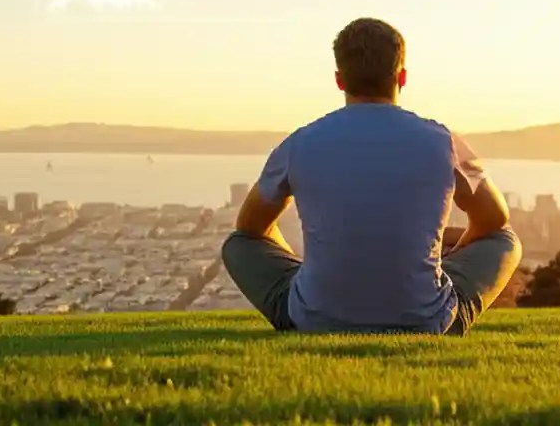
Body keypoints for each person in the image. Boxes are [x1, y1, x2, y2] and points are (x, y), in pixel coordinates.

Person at [221, 17, 521, 334]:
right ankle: (430, 308)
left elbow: (251, 228)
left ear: (339, 80)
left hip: (317, 320)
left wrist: (307, 274)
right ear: (402, 77)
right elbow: (494, 219)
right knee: (505, 239)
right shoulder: (447, 143)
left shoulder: (299, 143)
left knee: (238, 244)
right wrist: (447, 260)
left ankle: (315, 301)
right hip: (426, 321)